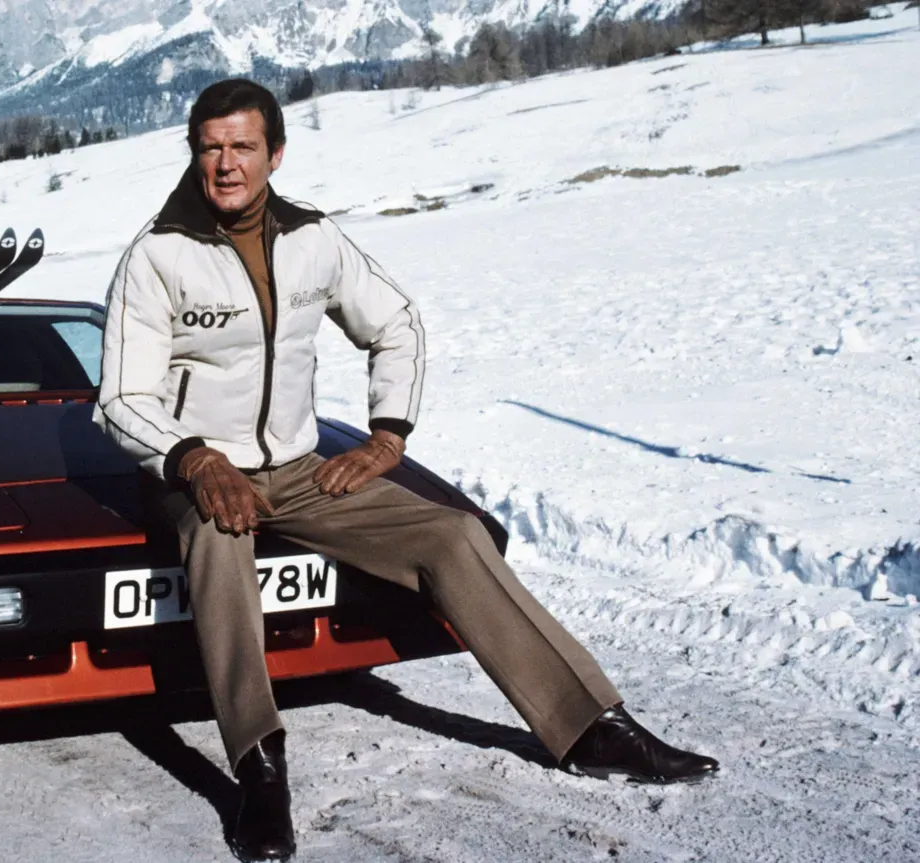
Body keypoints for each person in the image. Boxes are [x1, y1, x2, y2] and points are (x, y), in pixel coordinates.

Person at [95, 79, 717, 862]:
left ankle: (591, 726)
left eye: (242, 146)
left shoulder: (314, 240)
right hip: (191, 477)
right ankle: (260, 768)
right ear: (195, 153)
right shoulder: (157, 256)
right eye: (211, 147)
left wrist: (387, 436)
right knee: (221, 535)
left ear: (274, 154)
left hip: (295, 465)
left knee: (452, 532)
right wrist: (194, 457)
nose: (226, 164)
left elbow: (396, 322)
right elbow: (120, 397)